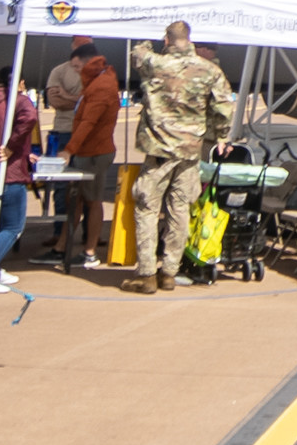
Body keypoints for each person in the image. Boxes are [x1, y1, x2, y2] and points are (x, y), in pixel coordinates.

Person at [125, 24, 234, 294]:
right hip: (190, 150)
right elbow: (223, 105)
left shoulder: (156, 63)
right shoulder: (209, 69)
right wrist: (222, 136)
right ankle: (169, 272)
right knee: (180, 209)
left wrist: (148, 40)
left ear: (167, 40)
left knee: (147, 208)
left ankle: (146, 273)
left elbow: (137, 53)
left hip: (159, 149)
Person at [58, 42, 123, 269]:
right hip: (87, 150)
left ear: (87, 63)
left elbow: (88, 122)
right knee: (75, 199)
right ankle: (62, 246)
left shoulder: (102, 86)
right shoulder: (96, 81)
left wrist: (69, 149)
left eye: (77, 67)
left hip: (96, 152)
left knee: (93, 200)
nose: (76, 72)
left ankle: (89, 252)